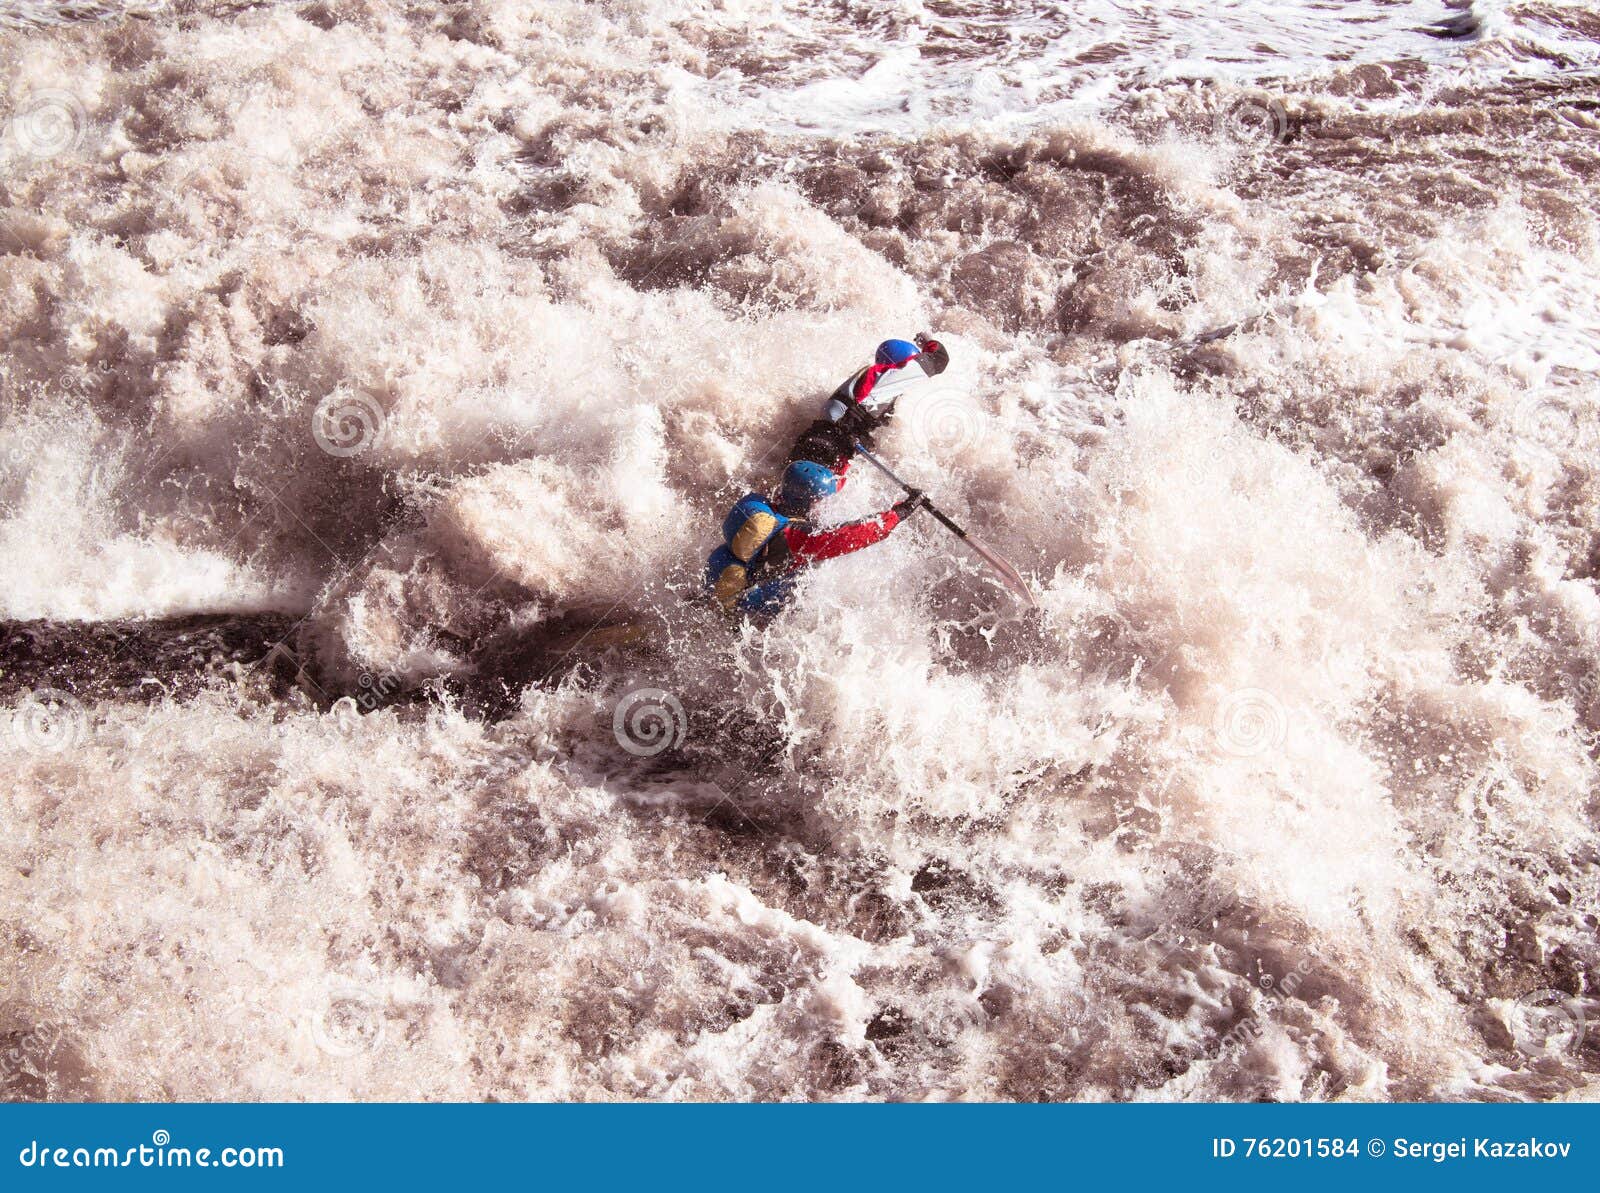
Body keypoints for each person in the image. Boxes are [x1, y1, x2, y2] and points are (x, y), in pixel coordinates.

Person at [705, 460, 926, 616]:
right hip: (755, 614)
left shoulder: (769, 506)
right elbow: (851, 536)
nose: (826, 505)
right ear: (808, 503)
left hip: (722, 587)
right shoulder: (796, 538)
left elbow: (821, 483)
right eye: (822, 501)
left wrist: (845, 462)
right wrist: (900, 512)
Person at [787, 333, 950, 476]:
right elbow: (939, 358)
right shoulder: (889, 378)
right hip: (830, 449)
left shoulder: (870, 382)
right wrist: (928, 342)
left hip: (812, 441)